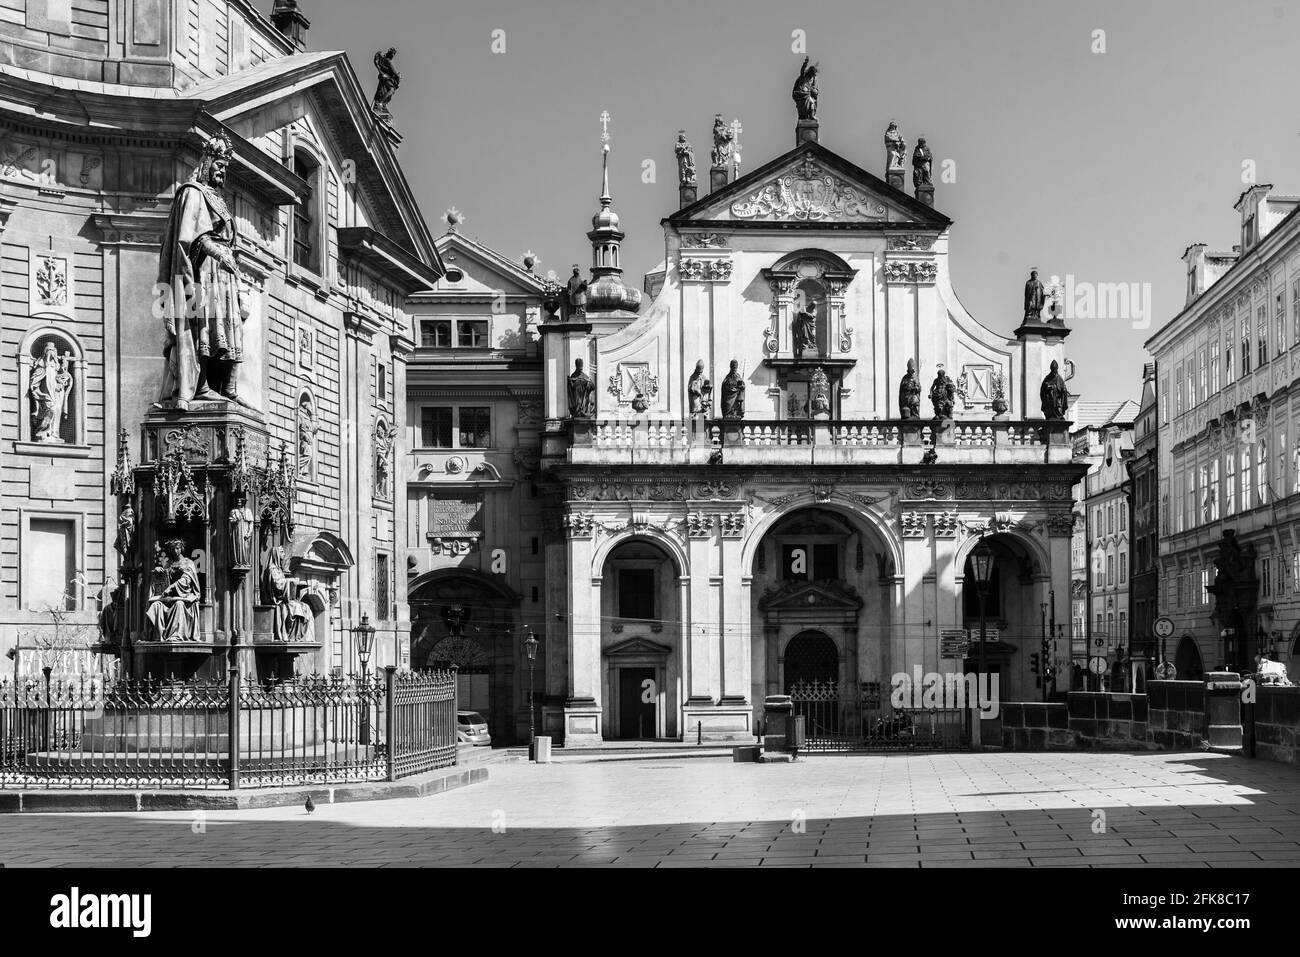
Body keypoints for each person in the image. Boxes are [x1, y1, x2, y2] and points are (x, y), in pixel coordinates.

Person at [156, 134, 248, 405]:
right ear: (207, 163)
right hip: (204, 274)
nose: (222, 171)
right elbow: (191, 236)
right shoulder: (192, 192)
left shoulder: (219, 200)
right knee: (204, 328)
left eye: (225, 167)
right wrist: (218, 252)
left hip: (225, 277)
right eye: (218, 165)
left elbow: (228, 236)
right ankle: (202, 385)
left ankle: (228, 388)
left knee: (231, 329)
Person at [144, 539, 200, 642]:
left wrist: (172, 587)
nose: (175, 551)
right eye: (173, 549)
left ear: (181, 549)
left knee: (179, 604)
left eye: (177, 548)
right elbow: (164, 578)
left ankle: (176, 635)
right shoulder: (169, 563)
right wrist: (158, 571)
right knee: (156, 605)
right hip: (168, 597)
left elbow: (186, 580)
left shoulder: (188, 562)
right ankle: (158, 636)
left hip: (183, 596)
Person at [263, 546, 311, 642]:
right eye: (281, 552)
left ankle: (297, 635)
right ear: (276, 554)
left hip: (283, 599)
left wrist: (291, 582)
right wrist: (290, 581)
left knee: (305, 607)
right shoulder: (272, 569)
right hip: (277, 600)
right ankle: (292, 635)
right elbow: (278, 585)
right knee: (297, 608)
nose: (284, 554)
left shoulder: (278, 569)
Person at [792, 56, 819, 120]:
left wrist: (813, 90)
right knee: (811, 102)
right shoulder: (803, 76)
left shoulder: (812, 80)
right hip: (801, 94)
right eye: (811, 73)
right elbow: (802, 70)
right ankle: (811, 116)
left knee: (812, 102)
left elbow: (815, 91)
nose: (812, 75)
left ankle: (811, 115)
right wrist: (805, 63)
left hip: (807, 94)